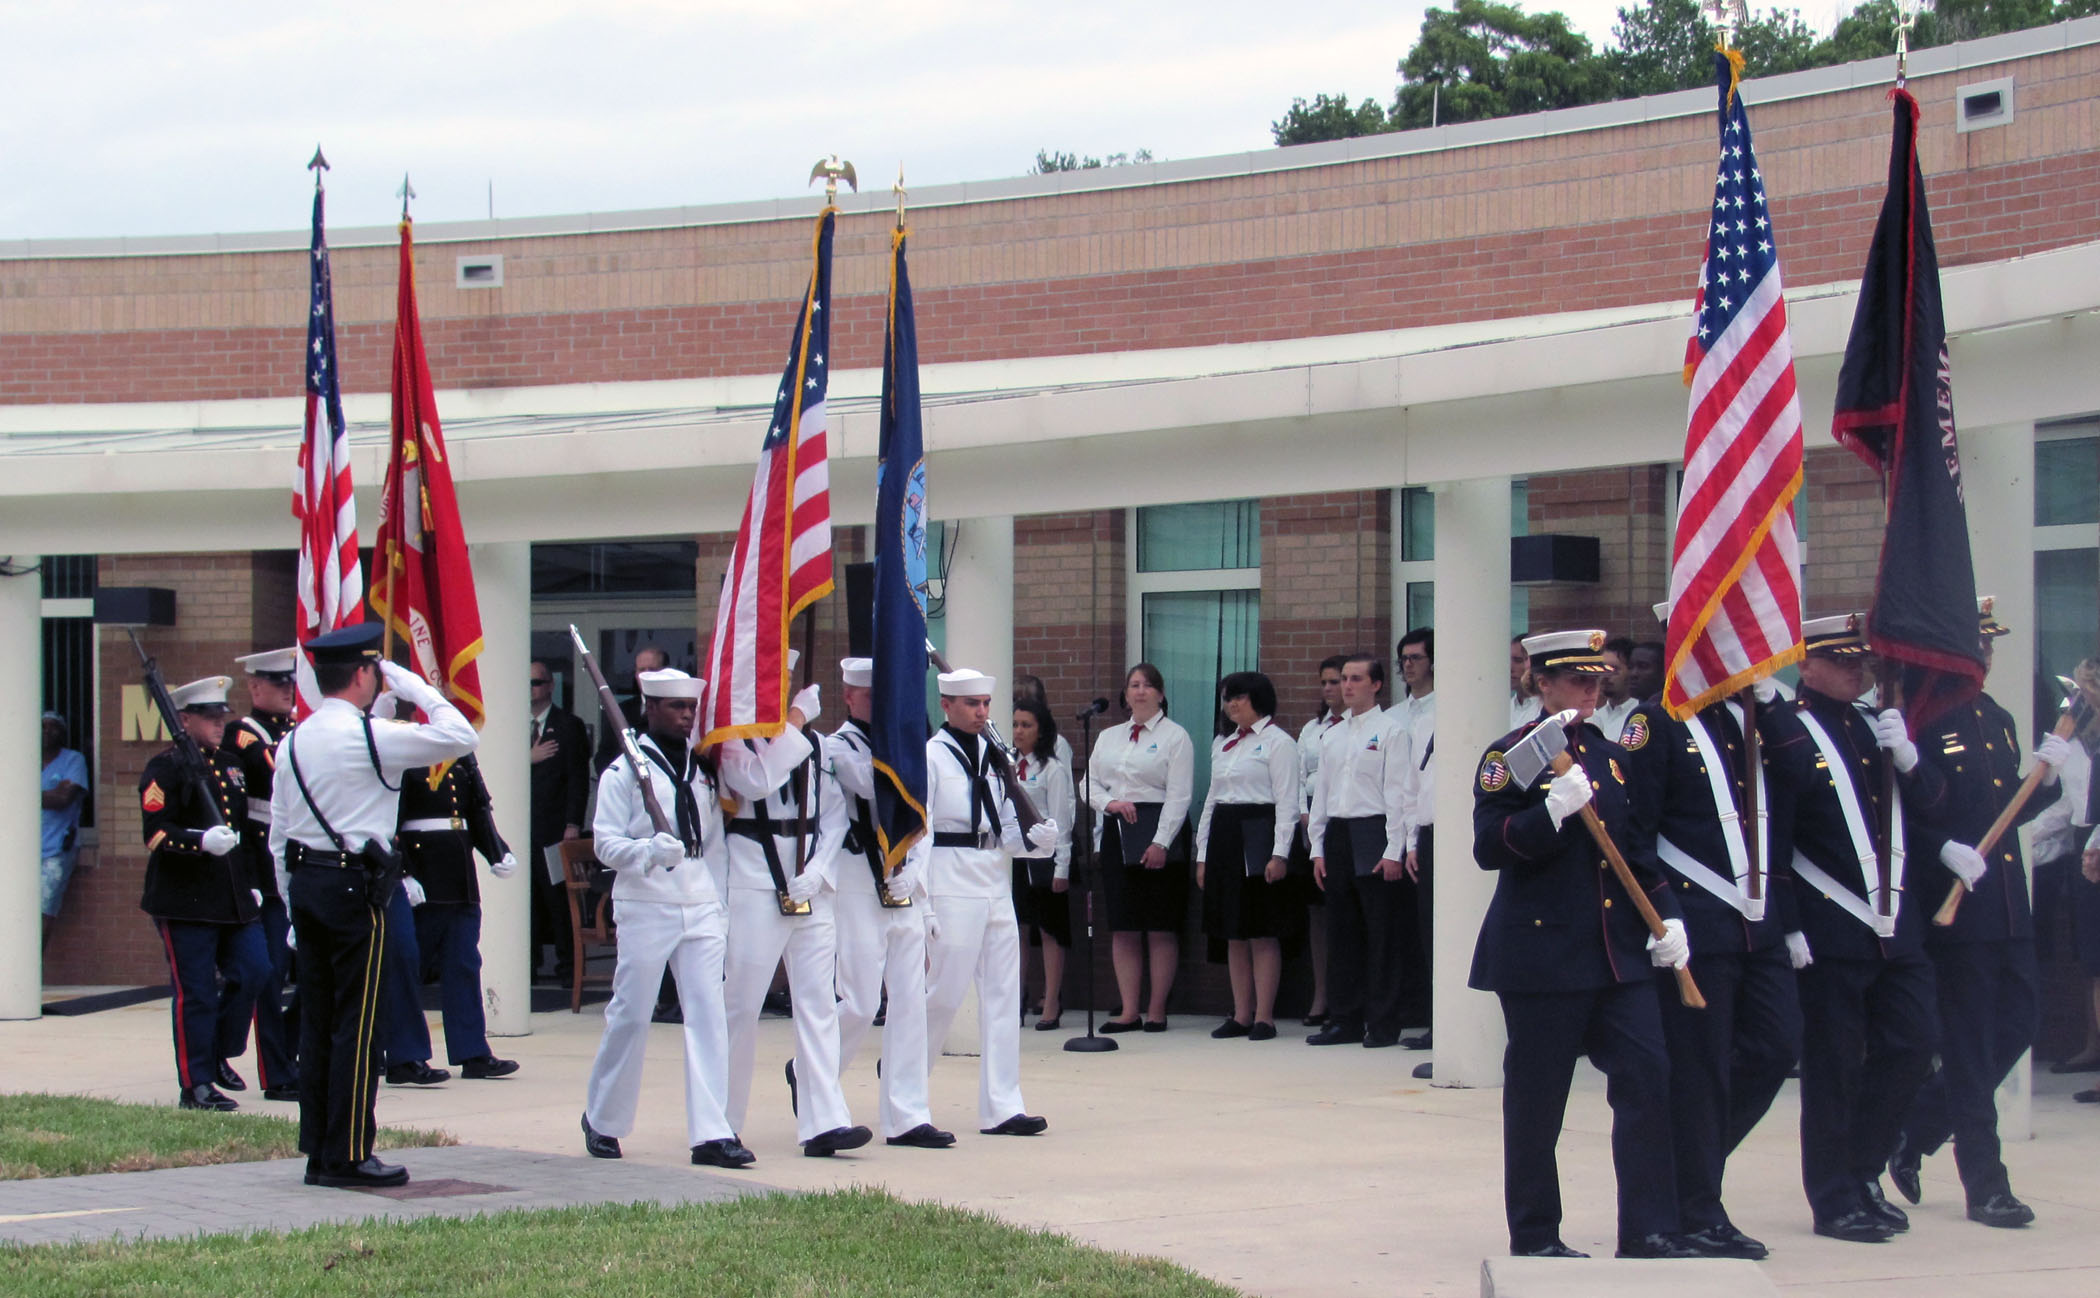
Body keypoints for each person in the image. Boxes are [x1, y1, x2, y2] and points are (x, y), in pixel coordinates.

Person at [1469, 629, 1695, 1260]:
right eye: (1576, 678)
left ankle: (1649, 1228)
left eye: (1599, 677)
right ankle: (1536, 1233)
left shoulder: (1609, 756)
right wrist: (1549, 814)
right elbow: (1489, 846)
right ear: (1541, 683)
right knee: (1540, 1101)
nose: (1592, 688)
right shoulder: (1510, 754)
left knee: (1649, 1076)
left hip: (1616, 953)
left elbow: (1637, 850)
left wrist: (1669, 918)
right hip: (1544, 955)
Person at [1618, 616, 1801, 1261]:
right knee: (1698, 1075)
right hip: (1696, 922)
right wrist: (1663, 917)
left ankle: (1687, 1173)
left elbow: (1801, 784)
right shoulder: (1655, 723)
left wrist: (1774, 700)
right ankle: (1698, 1206)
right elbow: (1633, 833)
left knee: (1778, 1046)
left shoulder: (1742, 718)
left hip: (1758, 922)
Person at [270, 623, 477, 1189]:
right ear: (365, 675)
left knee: (318, 1021)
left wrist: (291, 907)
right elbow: (462, 735)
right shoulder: (372, 737)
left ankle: (318, 1149)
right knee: (359, 1026)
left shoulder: (294, 740)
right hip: (356, 890)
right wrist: (416, 688)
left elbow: (279, 836)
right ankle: (351, 1154)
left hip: (309, 885)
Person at [1765, 614, 1949, 1243]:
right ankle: (1833, 1195)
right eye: (1841, 661)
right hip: (1829, 923)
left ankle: (1865, 1169)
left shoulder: (1878, 728)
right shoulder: (1788, 733)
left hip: (1895, 923)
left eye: (1861, 661)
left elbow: (1928, 811)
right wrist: (1788, 926)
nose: (1856, 670)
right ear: (1805, 665)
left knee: (1913, 1041)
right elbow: (1775, 838)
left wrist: (1912, 761)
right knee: (1834, 1065)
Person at [1888, 601, 2052, 1228]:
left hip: (2008, 902)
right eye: (1977, 644)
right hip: (1957, 908)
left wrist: (2049, 781)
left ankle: (1918, 1127)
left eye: (1989, 645)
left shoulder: (1997, 717)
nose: (1986, 654)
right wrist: (1940, 848)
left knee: (2020, 1024)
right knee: (1970, 1043)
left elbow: (2005, 811)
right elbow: (1910, 813)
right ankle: (1986, 1184)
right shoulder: (1923, 718)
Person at [579, 667, 752, 1168]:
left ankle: (711, 1133)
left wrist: (719, 908)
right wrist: (648, 852)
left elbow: (716, 846)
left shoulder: (701, 769)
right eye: (675, 708)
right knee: (631, 1014)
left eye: (690, 709)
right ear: (649, 709)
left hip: (698, 904)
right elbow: (604, 842)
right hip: (647, 903)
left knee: (707, 1017)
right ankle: (604, 1118)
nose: (685, 717)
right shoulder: (624, 771)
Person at [715, 668, 870, 1157]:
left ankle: (823, 1121)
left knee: (819, 1005)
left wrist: (820, 871)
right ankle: (720, 1120)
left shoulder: (818, 748)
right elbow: (758, 782)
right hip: (753, 875)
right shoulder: (732, 742)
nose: (773, 694)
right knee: (741, 1004)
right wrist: (797, 721)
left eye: (779, 686)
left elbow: (833, 816)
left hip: (809, 883)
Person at [910, 668, 1059, 1135]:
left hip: (994, 879)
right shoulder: (932, 756)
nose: (981, 712)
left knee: (1002, 995)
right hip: (949, 878)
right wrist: (924, 900)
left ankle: (1002, 1105)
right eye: (971, 703)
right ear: (947, 706)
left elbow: (1002, 828)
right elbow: (920, 832)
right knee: (944, 995)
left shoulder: (997, 756)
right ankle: (908, 1093)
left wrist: (1038, 842)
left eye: (984, 703)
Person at [825, 658, 953, 1148]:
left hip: (902, 884)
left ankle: (906, 1114)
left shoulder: (909, 749)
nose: (880, 704)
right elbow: (876, 789)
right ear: (850, 696)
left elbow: (924, 819)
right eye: (871, 695)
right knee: (859, 1000)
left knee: (908, 1001)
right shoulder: (834, 748)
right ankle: (815, 1072)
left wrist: (917, 877)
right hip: (858, 879)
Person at [138, 675, 268, 1112]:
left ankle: (216, 1050)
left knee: (254, 970)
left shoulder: (231, 763)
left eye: (222, 715)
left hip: (231, 894)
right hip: (185, 898)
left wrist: (251, 879)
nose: (219, 723)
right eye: (209, 716)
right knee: (195, 992)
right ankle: (195, 1085)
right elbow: (155, 834)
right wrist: (199, 841)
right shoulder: (165, 768)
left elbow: (245, 830)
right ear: (185, 719)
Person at [393, 757, 521, 1082]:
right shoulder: (407, 753)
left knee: (464, 964)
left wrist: (497, 852)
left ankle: (472, 1052)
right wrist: (404, 872)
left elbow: (477, 813)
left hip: (459, 875)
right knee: (408, 969)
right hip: (423, 872)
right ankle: (402, 1056)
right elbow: (388, 821)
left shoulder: (461, 760)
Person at [1305, 654, 1409, 1048]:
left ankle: (1382, 1021)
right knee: (1341, 931)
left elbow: (1399, 793)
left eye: (1355, 679)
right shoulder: (1331, 735)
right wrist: (1317, 848)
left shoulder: (1391, 731)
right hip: (1339, 833)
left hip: (1375, 829)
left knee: (1380, 932)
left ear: (1376, 685)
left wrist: (1395, 848)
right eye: (1343, 679)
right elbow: (1323, 795)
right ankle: (1344, 1018)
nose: (1347, 686)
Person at [1084, 663, 1194, 1031]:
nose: (1140, 691)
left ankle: (1157, 1009)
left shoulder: (1175, 736)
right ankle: (1129, 1009)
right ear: (1126, 693)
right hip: (1119, 831)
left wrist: (1161, 841)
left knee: (1160, 924)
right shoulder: (1109, 737)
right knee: (1124, 924)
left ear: (1161, 694)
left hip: (1160, 828)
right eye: (1134, 685)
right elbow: (1090, 782)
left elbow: (1180, 796)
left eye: (1148, 686)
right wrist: (1109, 804)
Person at [1194, 671, 1301, 1040]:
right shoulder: (1222, 743)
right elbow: (1212, 798)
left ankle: (1264, 1016)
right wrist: (1203, 853)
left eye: (1239, 697)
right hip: (1225, 833)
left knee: (1261, 929)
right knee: (1233, 931)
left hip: (1259, 832)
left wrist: (1280, 853)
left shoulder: (1278, 743)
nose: (1232, 704)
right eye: (1228, 698)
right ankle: (1240, 1014)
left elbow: (1288, 801)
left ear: (1259, 699)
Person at [224, 649, 300, 1101]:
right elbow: (275, 774)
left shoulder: (293, 731)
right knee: (267, 975)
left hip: (297, 861)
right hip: (263, 868)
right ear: (254, 687)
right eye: (278, 684)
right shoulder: (244, 736)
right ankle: (275, 1072)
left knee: (308, 971)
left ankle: (289, 1051)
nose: (288, 690)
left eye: (290, 683)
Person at [1009, 697, 1075, 1030]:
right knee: (1017, 929)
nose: (1019, 731)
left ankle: (1051, 1001)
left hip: (1046, 856)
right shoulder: (1007, 765)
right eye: (1016, 724)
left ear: (1041, 730)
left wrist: (1062, 867)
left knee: (1049, 930)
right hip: (1015, 856)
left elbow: (1061, 822)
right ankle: (1016, 996)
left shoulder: (1052, 769)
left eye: (1026, 725)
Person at [528, 658, 592, 986]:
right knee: (525, 899)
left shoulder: (568, 725)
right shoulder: (510, 727)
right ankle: (527, 965)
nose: (530, 691)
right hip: (518, 828)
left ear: (550, 686)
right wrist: (525, 758)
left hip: (555, 827)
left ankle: (568, 967)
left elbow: (577, 779)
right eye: (525, 684)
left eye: (536, 683)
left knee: (557, 897)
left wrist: (573, 823)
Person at [1295, 655, 1347, 1026]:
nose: (1330, 689)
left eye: (1337, 681)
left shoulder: (1369, 727)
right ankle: (1321, 994)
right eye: (1325, 682)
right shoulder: (1312, 729)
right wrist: (1303, 814)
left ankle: (1348, 996)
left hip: (1347, 817)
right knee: (1317, 913)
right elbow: (1298, 776)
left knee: (1344, 911)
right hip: (1312, 819)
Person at [1390, 629, 1436, 1049]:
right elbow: (1410, 787)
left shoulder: (1457, 711)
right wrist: (1410, 843)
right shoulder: (1406, 719)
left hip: (1461, 834)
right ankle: (1430, 1016)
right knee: (1425, 931)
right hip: (1424, 835)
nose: (1408, 665)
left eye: (1417, 657)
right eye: (1403, 658)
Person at [39, 712, 88, 945]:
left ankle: (34, 971)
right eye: (43, 726)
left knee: (43, 912)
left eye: (54, 727)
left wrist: (21, 793)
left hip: (56, 849)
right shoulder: (23, 759)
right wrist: (47, 793)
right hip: (19, 851)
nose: (48, 731)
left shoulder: (73, 760)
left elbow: (63, 798)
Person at [1592, 637, 1638, 743]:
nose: (1606, 675)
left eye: (1614, 669)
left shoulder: (1639, 717)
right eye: (1602, 668)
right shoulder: (1594, 716)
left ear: (1631, 671)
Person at [1510, 637, 1542, 729]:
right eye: (1507, 660)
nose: (1510, 668)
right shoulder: (1502, 708)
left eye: (1518, 660)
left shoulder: (1548, 709)